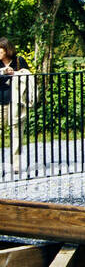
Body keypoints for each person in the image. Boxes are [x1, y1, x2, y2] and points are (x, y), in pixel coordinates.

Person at [0, 38, 32, 173]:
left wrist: (15, 73)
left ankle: (16, 165)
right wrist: (3, 72)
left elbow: (29, 75)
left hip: (17, 102)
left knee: (17, 133)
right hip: (0, 102)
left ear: (7, 49)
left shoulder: (19, 60)